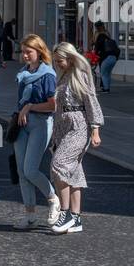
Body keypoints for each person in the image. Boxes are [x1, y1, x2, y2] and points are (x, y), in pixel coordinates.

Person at [49, 41, 103, 234]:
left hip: (78, 126)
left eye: (60, 61)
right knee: (74, 172)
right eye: (55, 61)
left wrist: (95, 130)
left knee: (59, 164)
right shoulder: (62, 75)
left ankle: (65, 214)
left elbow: (91, 102)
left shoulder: (81, 75)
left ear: (70, 58)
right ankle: (77, 218)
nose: (57, 64)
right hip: (62, 127)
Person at [12, 34, 59, 230]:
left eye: (28, 52)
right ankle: (30, 216)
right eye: (23, 52)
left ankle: (53, 198)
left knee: (31, 169)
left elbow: (52, 106)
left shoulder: (48, 75)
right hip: (22, 124)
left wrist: (30, 106)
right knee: (22, 172)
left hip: (40, 123)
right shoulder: (24, 73)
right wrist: (23, 109)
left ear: (39, 52)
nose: (25, 56)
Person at [93, 24, 120, 92]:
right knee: (108, 73)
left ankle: (105, 88)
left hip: (105, 58)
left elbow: (97, 47)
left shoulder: (100, 36)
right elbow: (118, 50)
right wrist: (116, 58)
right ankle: (106, 87)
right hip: (113, 58)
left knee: (103, 73)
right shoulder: (110, 39)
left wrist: (94, 56)